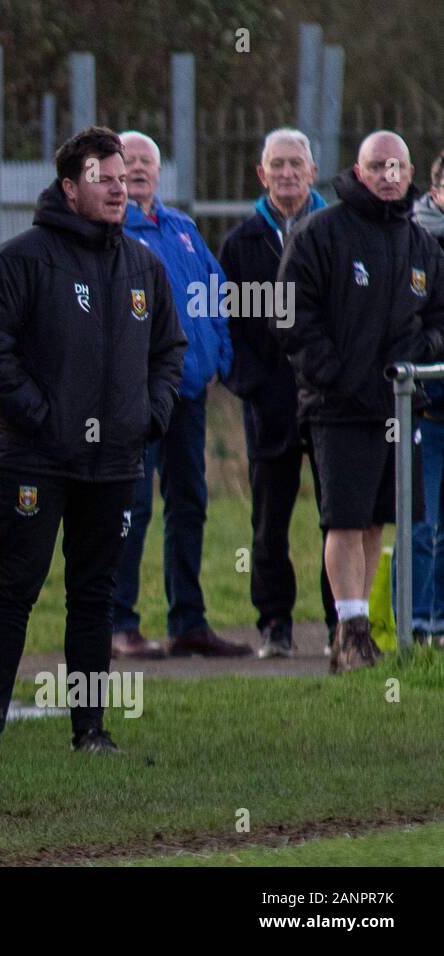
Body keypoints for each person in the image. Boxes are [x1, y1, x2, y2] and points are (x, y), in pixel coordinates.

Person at [0, 126, 186, 754]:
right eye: (103, 179)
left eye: (123, 180)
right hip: (38, 460)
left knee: (95, 597)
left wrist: (151, 412)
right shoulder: (21, 259)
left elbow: (170, 351)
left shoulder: (145, 265)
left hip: (115, 462)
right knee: (18, 588)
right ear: (69, 187)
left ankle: (90, 732)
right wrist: (42, 413)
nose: (118, 190)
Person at [277, 130, 444, 672]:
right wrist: (336, 376)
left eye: (398, 166)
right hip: (338, 408)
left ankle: (360, 634)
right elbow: (290, 316)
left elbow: (438, 318)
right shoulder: (321, 233)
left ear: (410, 170)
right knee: (344, 520)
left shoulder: (420, 243)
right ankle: (346, 630)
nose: (389, 176)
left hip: (399, 407)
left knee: (377, 520)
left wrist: (418, 360)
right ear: (358, 168)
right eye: (378, 166)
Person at [108, 131, 248, 659]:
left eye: (148, 161)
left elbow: (218, 296)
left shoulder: (184, 230)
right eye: (130, 161)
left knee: (189, 504)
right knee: (132, 506)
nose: (140, 169)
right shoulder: (109, 232)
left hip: (188, 395)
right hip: (134, 398)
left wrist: (220, 358)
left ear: (160, 171)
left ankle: (188, 622)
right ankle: (119, 624)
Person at [219, 128, 337, 658]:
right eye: (277, 164)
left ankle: (344, 624)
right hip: (269, 404)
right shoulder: (241, 244)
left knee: (342, 517)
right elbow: (230, 328)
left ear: (313, 172)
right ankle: (274, 624)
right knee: (269, 522)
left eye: (297, 164)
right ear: (260, 173)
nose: (287, 173)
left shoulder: (338, 232)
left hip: (333, 402)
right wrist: (251, 385)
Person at [399, 151, 444, 647]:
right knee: (419, 523)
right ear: (435, 191)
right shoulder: (418, 243)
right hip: (425, 403)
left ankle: (438, 625)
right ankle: (414, 625)